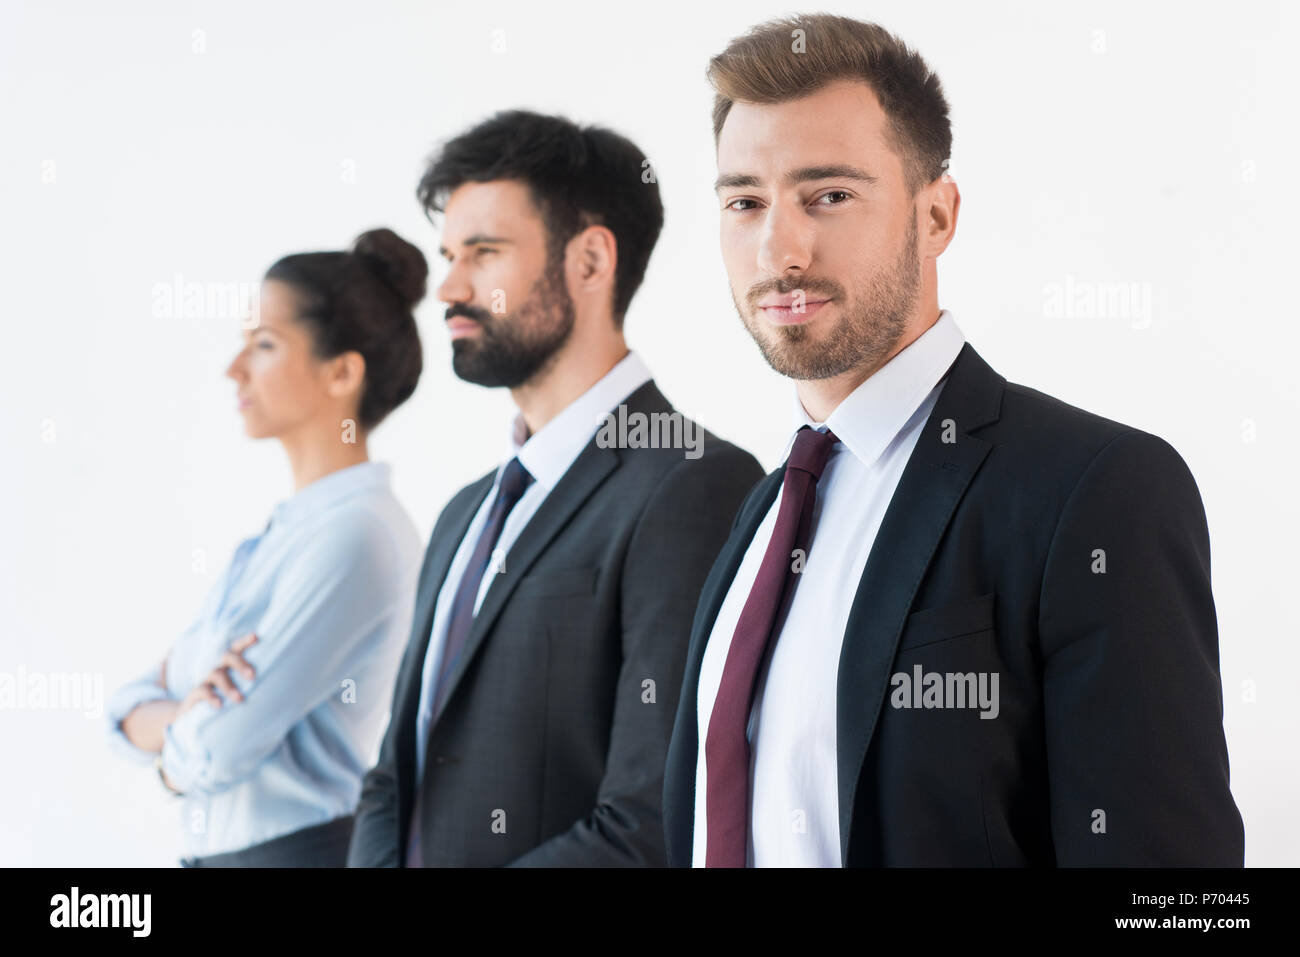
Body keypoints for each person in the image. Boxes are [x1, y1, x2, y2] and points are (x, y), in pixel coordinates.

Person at [663, 14, 1245, 867]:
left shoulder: (1095, 488)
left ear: (936, 215)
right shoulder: (759, 516)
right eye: (745, 201)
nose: (778, 248)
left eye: (828, 195)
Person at [347, 111, 765, 867]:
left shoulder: (695, 484)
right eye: (449, 254)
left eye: (485, 251)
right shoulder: (462, 513)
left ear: (592, 259)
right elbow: (391, 778)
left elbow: (651, 823)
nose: (449, 285)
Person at [106, 228, 429, 867]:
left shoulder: (354, 536)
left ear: (342, 372)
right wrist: (181, 718)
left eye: (264, 344)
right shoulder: (281, 537)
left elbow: (216, 751)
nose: (234, 368)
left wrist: (170, 738)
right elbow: (122, 708)